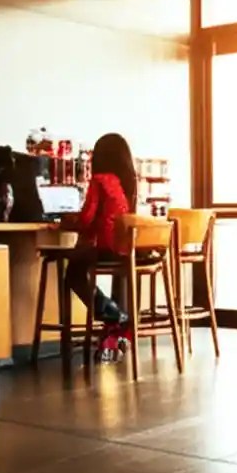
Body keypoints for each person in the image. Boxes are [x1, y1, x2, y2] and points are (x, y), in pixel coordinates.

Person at [63, 133, 137, 363]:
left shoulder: (100, 180)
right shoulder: (130, 183)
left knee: (73, 273)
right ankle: (118, 332)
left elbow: (87, 218)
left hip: (105, 247)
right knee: (103, 268)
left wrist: (68, 220)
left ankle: (112, 313)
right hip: (126, 249)